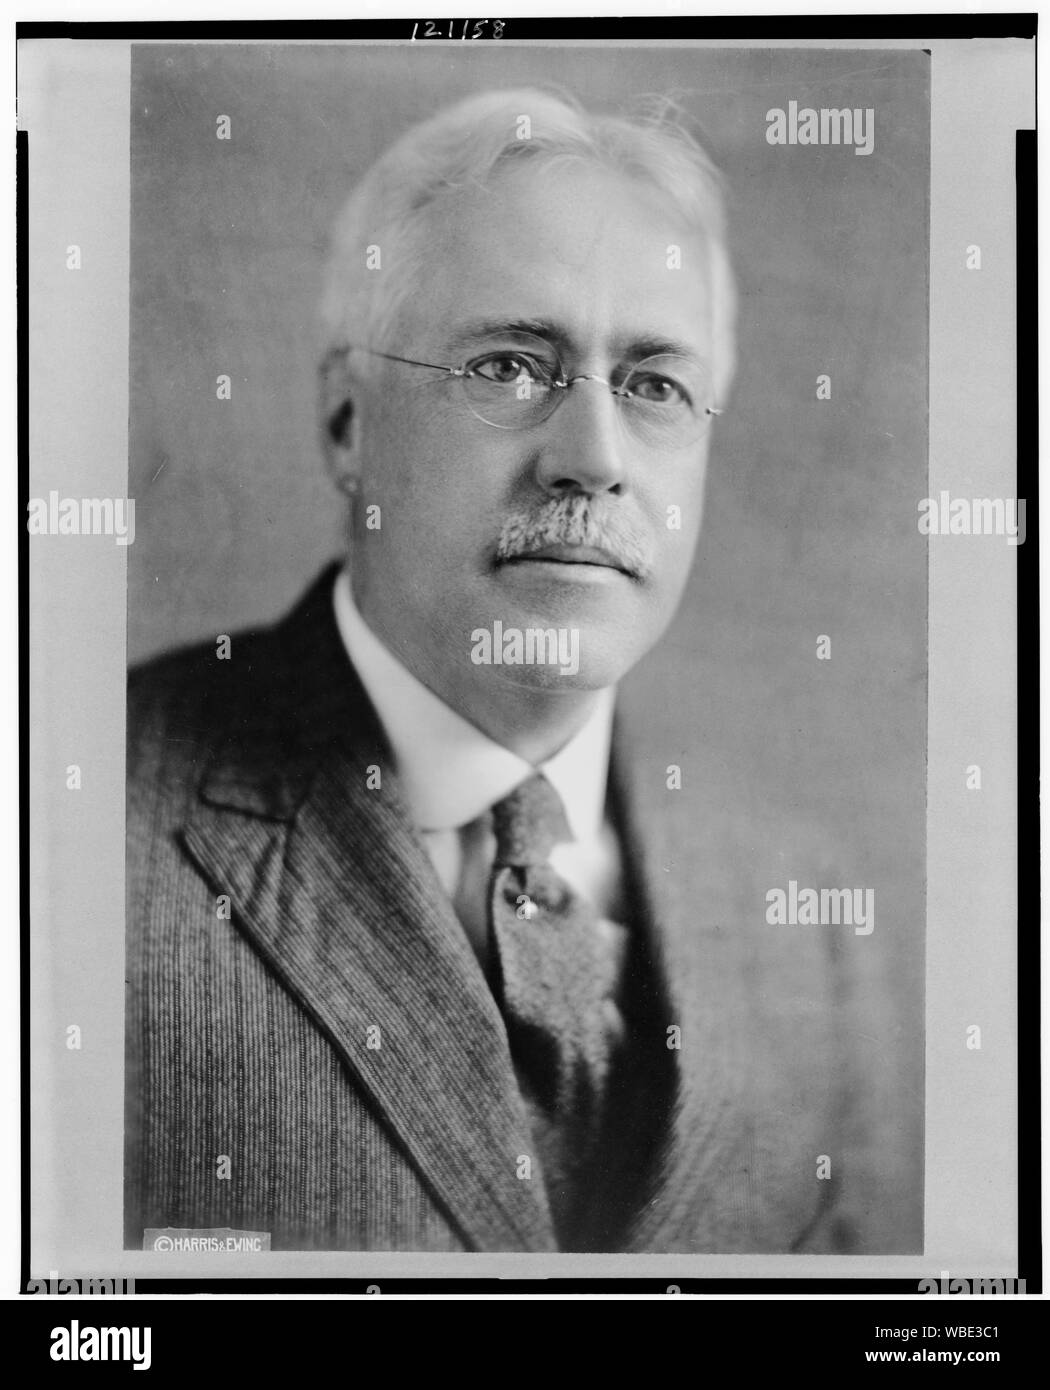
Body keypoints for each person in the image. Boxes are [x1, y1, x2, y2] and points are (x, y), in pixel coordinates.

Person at [125, 87, 894, 1254]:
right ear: (347, 421)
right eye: (507, 366)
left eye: (654, 387)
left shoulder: (812, 925)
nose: (592, 459)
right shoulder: (74, 847)